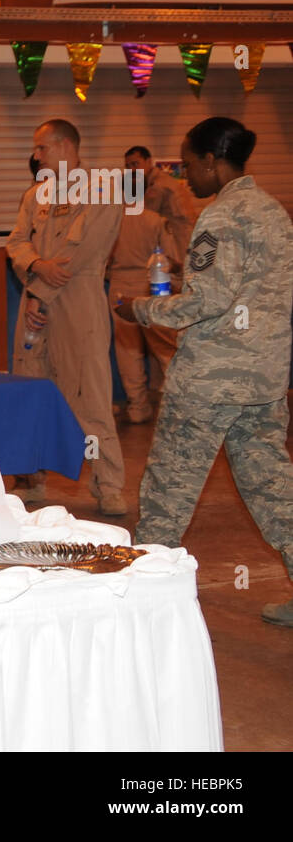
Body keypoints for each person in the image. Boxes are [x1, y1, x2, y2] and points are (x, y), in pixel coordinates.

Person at [114, 117, 293, 628]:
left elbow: (209, 301)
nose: (185, 175)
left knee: (168, 492)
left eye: (190, 164)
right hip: (263, 378)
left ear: (213, 162)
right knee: (273, 489)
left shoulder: (220, 217)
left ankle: (141, 605)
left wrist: (141, 309)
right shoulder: (272, 212)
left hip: (211, 380)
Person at [6, 119, 127, 516]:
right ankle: (30, 480)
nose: (36, 156)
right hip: (36, 304)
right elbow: (17, 242)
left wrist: (41, 292)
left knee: (90, 396)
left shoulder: (104, 192)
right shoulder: (34, 195)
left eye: (41, 148)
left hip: (79, 302)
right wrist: (35, 266)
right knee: (30, 393)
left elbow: (85, 252)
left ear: (63, 146)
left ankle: (108, 486)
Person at [106, 146, 184, 423]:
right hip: (152, 286)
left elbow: (100, 260)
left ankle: (137, 406)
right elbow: (170, 258)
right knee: (163, 346)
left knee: (127, 351)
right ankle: (175, 404)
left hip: (118, 287)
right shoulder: (155, 220)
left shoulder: (110, 223)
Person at [124, 145, 196, 290]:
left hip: (177, 241)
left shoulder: (157, 186)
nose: (132, 169)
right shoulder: (161, 180)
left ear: (149, 161)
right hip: (183, 239)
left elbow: (143, 217)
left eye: (135, 164)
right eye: (128, 166)